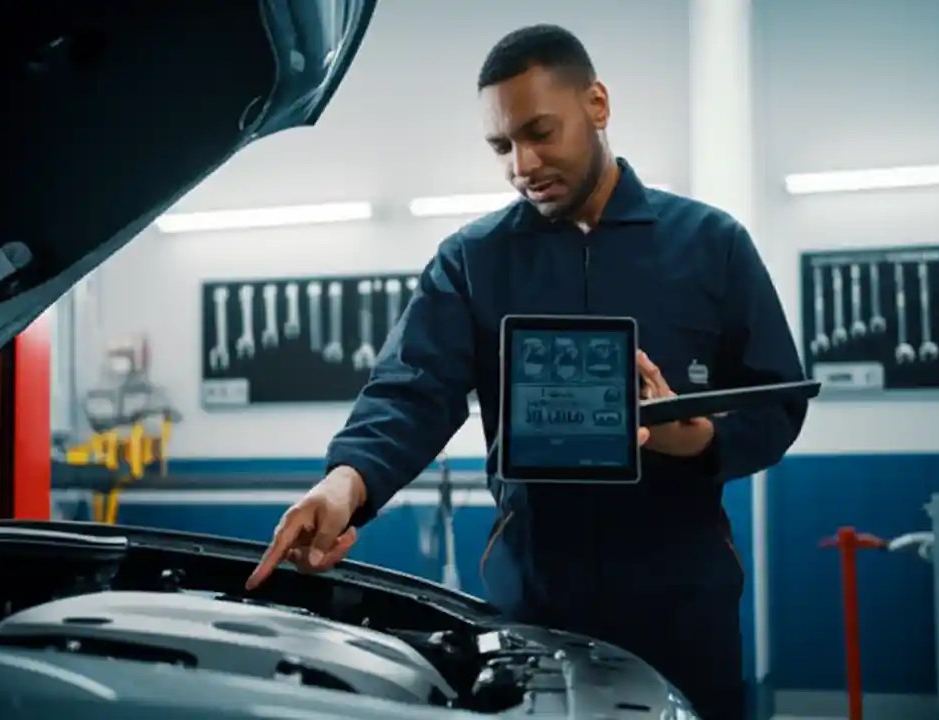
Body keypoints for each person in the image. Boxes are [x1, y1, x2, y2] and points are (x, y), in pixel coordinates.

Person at [246, 24, 807, 720]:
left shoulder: (712, 245)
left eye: (541, 132)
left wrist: (694, 440)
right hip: (532, 601)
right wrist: (345, 482)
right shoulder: (473, 261)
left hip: (683, 602)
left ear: (597, 104)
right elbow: (412, 389)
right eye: (501, 146)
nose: (522, 163)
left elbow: (776, 401)